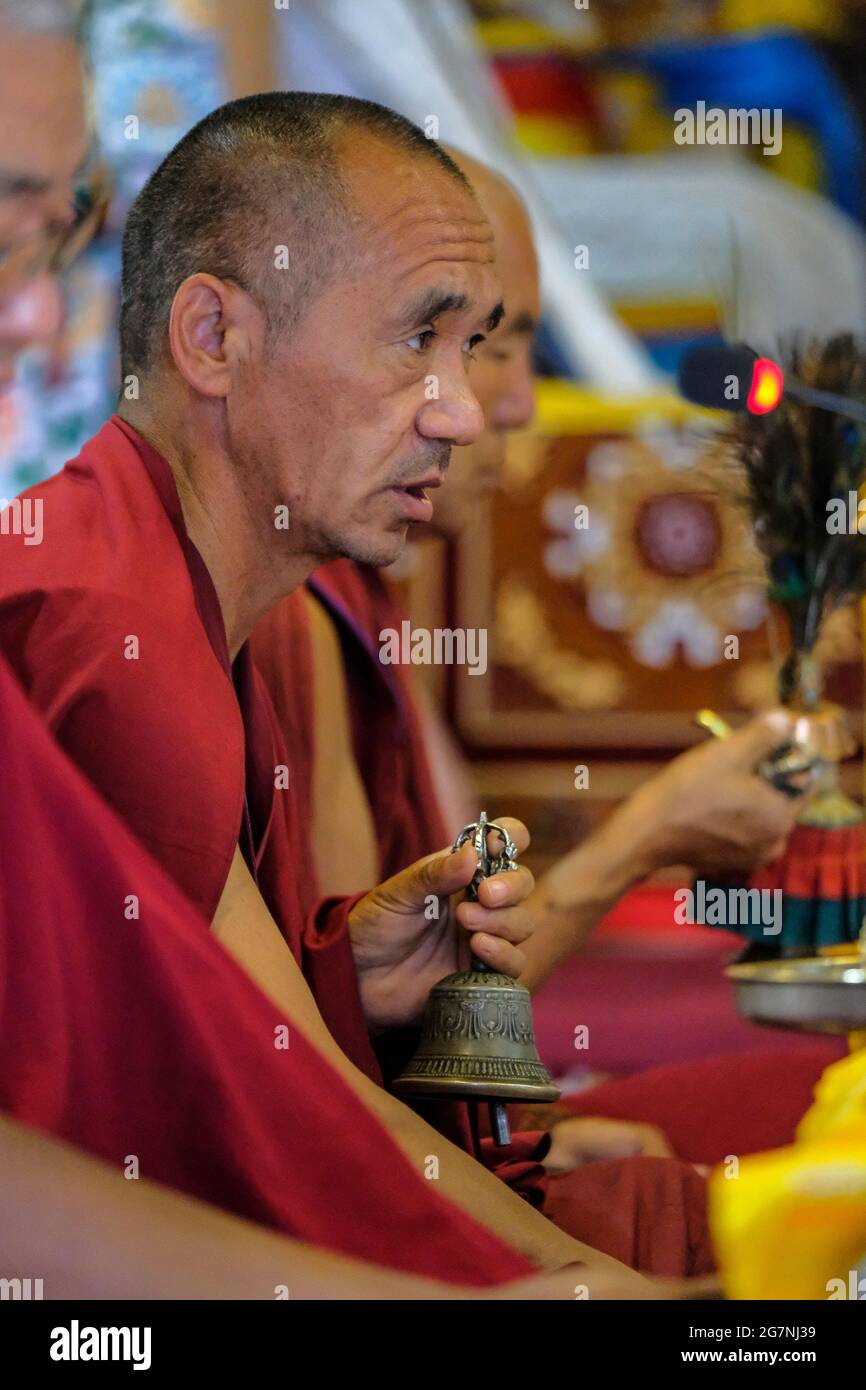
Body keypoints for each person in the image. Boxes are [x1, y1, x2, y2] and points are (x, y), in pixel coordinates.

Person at [0, 87, 666, 1281]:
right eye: (418, 338)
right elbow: (278, 1125)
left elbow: (245, 1042)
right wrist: (570, 1278)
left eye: (472, 346)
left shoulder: (191, 591)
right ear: (213, 339)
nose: (464, 411)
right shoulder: (110, 628)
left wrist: (344, 968)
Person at [251, 150, 839, 1189]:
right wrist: (642, 838)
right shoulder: (293, 613)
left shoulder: (360, 591)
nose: (510, 408)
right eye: (488, 347)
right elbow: (374, 1054)